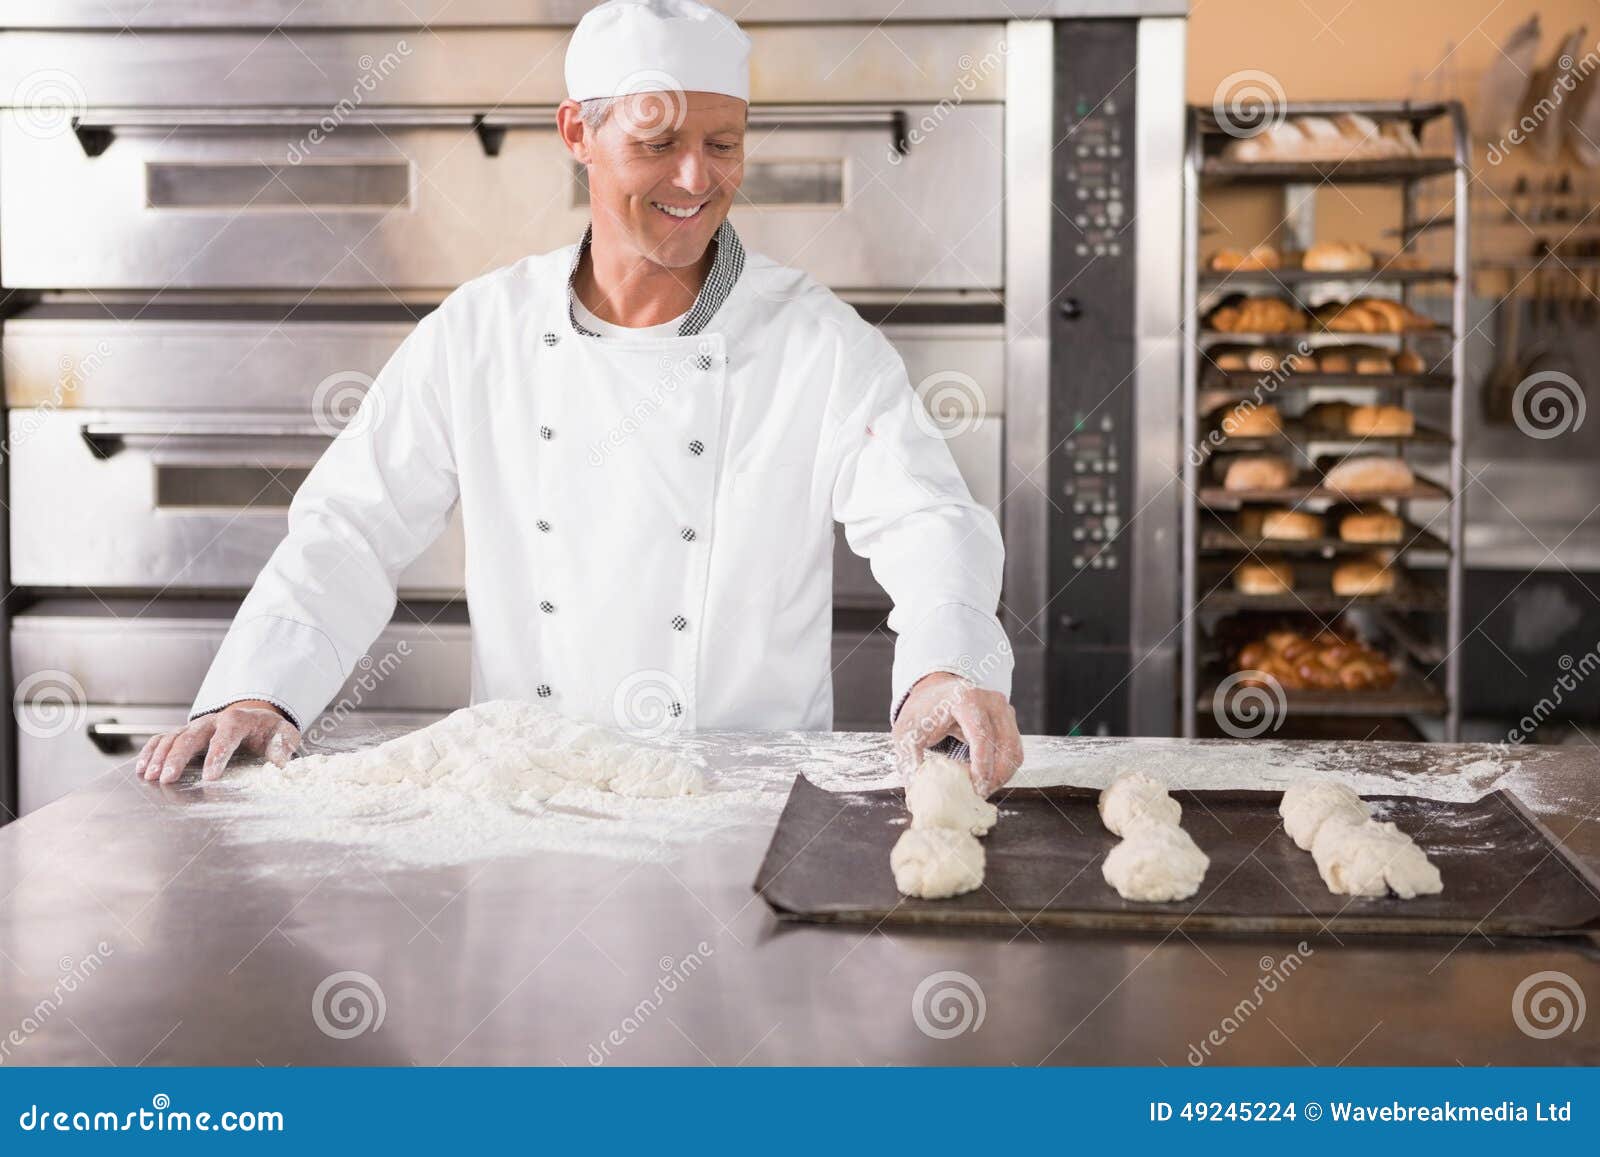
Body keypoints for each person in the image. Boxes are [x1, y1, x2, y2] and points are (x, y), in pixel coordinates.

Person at [136, 0, 1023, 796]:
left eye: (723, 144)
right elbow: (350, 526)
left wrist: (945, 670)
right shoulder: (481, 331)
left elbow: (928, 522)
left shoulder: (819, 344)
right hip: (525, 800)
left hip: (745, 810)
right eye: (656, 145)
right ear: (575, 133)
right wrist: (260, 688)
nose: (694, 179)